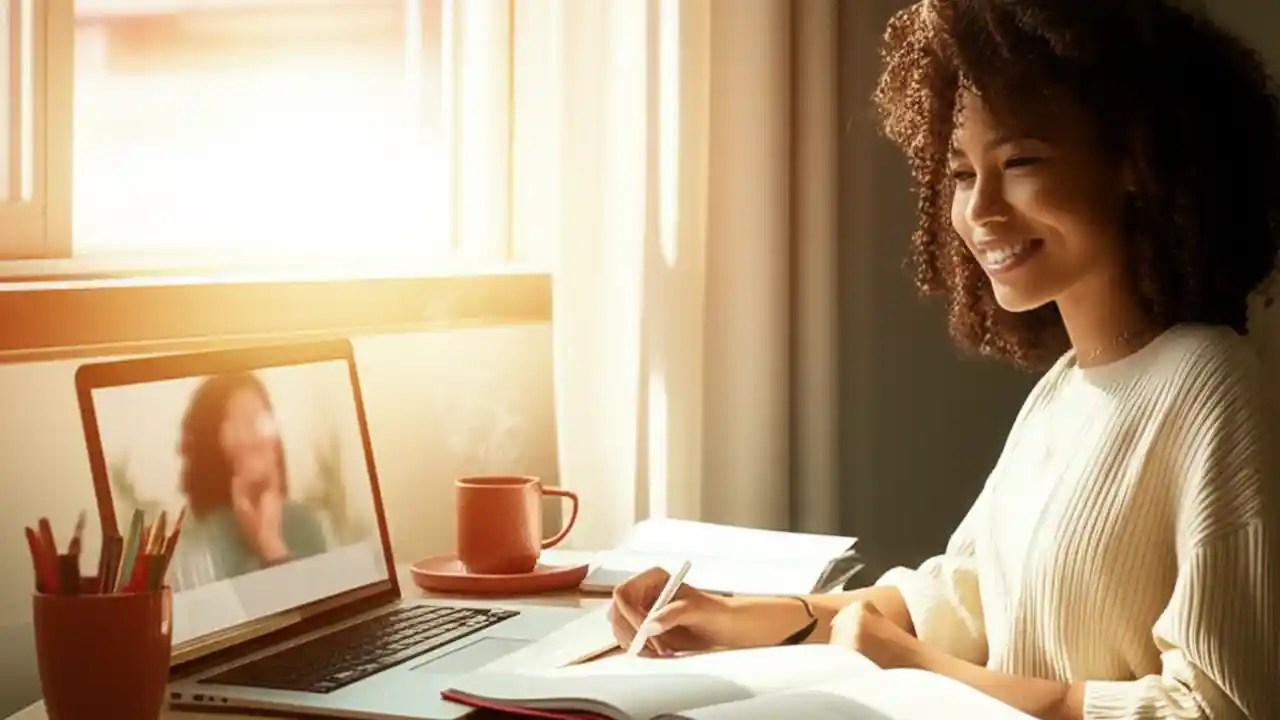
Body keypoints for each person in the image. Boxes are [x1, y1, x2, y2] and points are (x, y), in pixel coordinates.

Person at [609, 2, 1279, 718]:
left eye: (1020, 162)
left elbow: (1221, 708)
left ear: (1136, 162)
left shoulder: (1212, 385)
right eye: (961, 173)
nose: (981, 210)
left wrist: (920, 669)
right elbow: (961, 596)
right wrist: (731, 615)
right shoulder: (1068, 387)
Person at [169, 371, 327, 590]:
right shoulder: (193, 542)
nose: (258, 432)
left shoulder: (304, 523)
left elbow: (325, 605)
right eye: (241, 419)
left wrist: (270, 544)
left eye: (263, 418)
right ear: (210, 439)